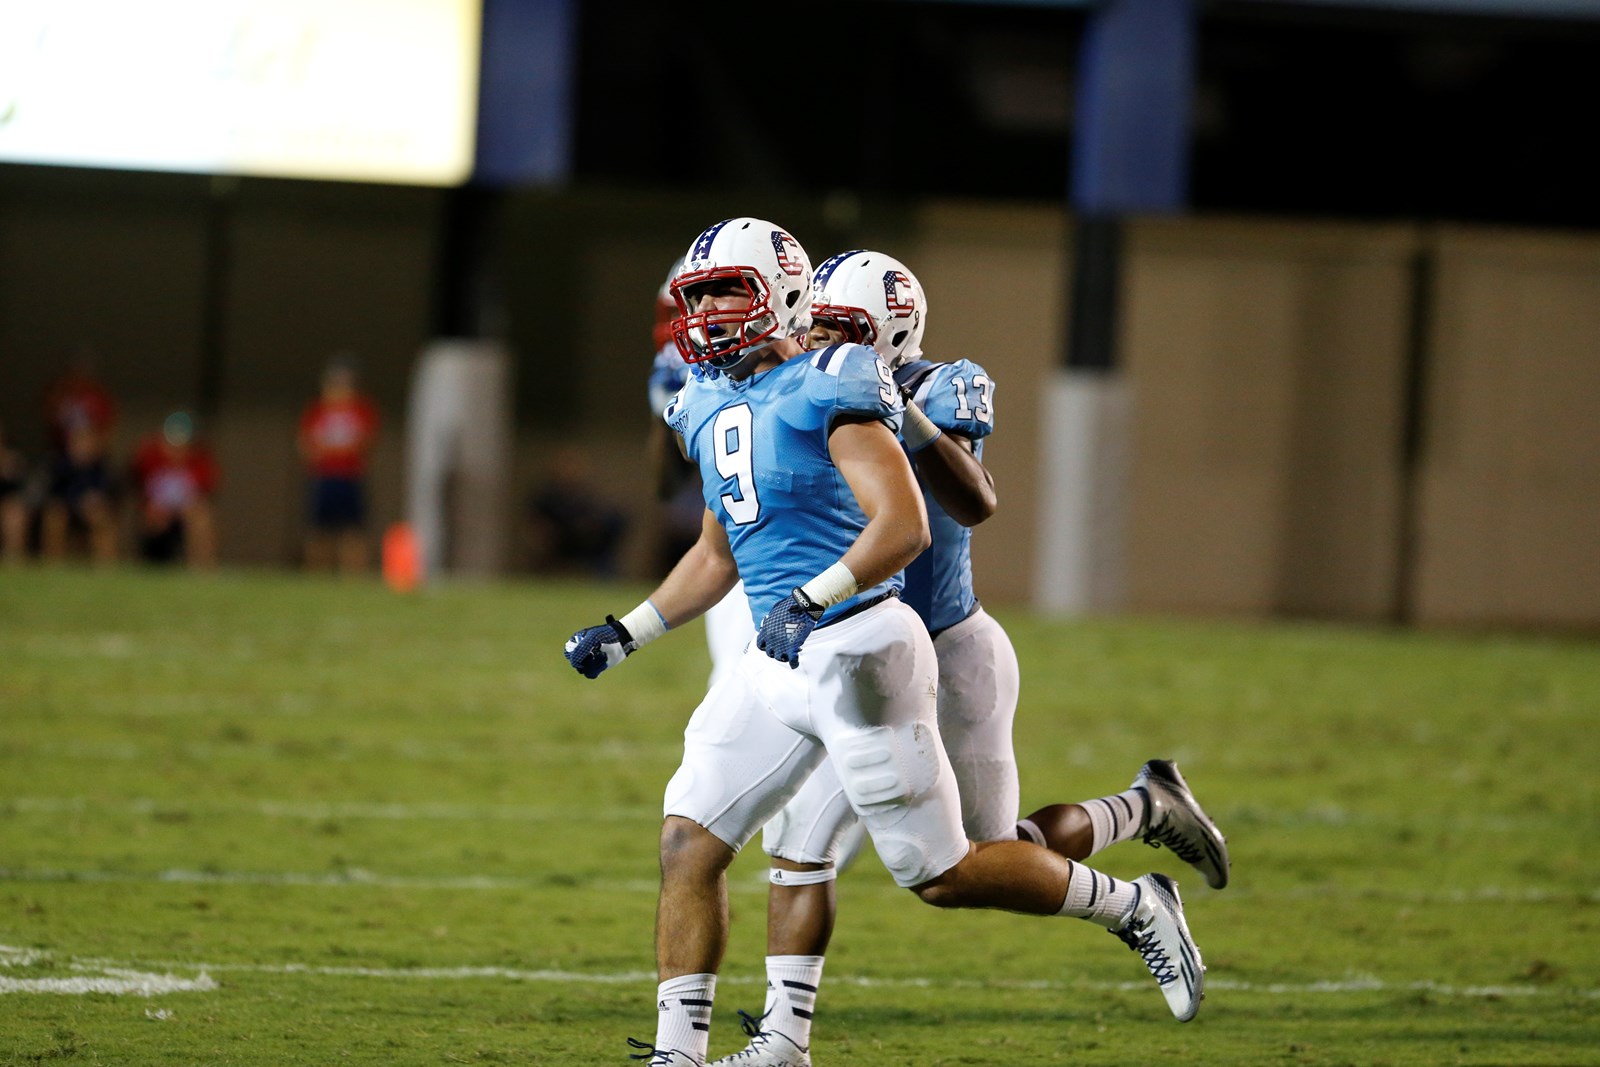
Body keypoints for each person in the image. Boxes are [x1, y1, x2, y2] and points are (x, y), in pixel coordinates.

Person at [564, 218, 1206, 1067]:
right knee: (694, 837)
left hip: (864, 647)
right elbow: (720, 548)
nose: (710, 313)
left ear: (787, 296)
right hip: (778, 655)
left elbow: (906, 525)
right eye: (699, 295)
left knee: (949, 869)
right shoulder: (707, 397)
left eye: (728, 291)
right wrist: (628, 630)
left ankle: (1133, 904)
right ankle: (686, 1056)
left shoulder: (839, 383)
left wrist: (814, 593)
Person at [645, 255, 755, 690]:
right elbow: (666, 484)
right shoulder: (695, 381)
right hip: (737, 554)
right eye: (689, 304)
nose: (700, 316)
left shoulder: (804, 377)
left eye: (717, 297)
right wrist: (665, 412)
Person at [298, 355, 381, 574]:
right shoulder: (317, 410)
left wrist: (331, 450)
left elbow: (365, 442)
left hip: (349, 476)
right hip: (324, 477)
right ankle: (317, 573)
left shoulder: (361, 409)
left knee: (353, 530)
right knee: (319, 530)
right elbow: (306, 445)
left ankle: (354, 574)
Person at [39, 355, 120, 563]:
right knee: (54, 516)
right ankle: (52, 566)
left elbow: (108, 491)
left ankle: (106, 567)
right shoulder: (61, 463)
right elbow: (55, 490)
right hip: (67, 502)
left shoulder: (101, 466)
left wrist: (92, 499)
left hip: (91, 504)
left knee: (100, 515)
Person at [129, 411, 219, 568]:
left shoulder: (198, 460)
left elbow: (203, 492)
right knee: (152, 517)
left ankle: (203, 569)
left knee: (201, 517)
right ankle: (144, 564)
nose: (175, 448)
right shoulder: (150, 456)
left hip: (185, 511)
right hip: (156, 511)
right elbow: (136, 482)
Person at [0, 418, 31, 563]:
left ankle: (12, 558)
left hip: (6, 504)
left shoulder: (12, 459)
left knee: (14, 511)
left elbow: (18, 489)